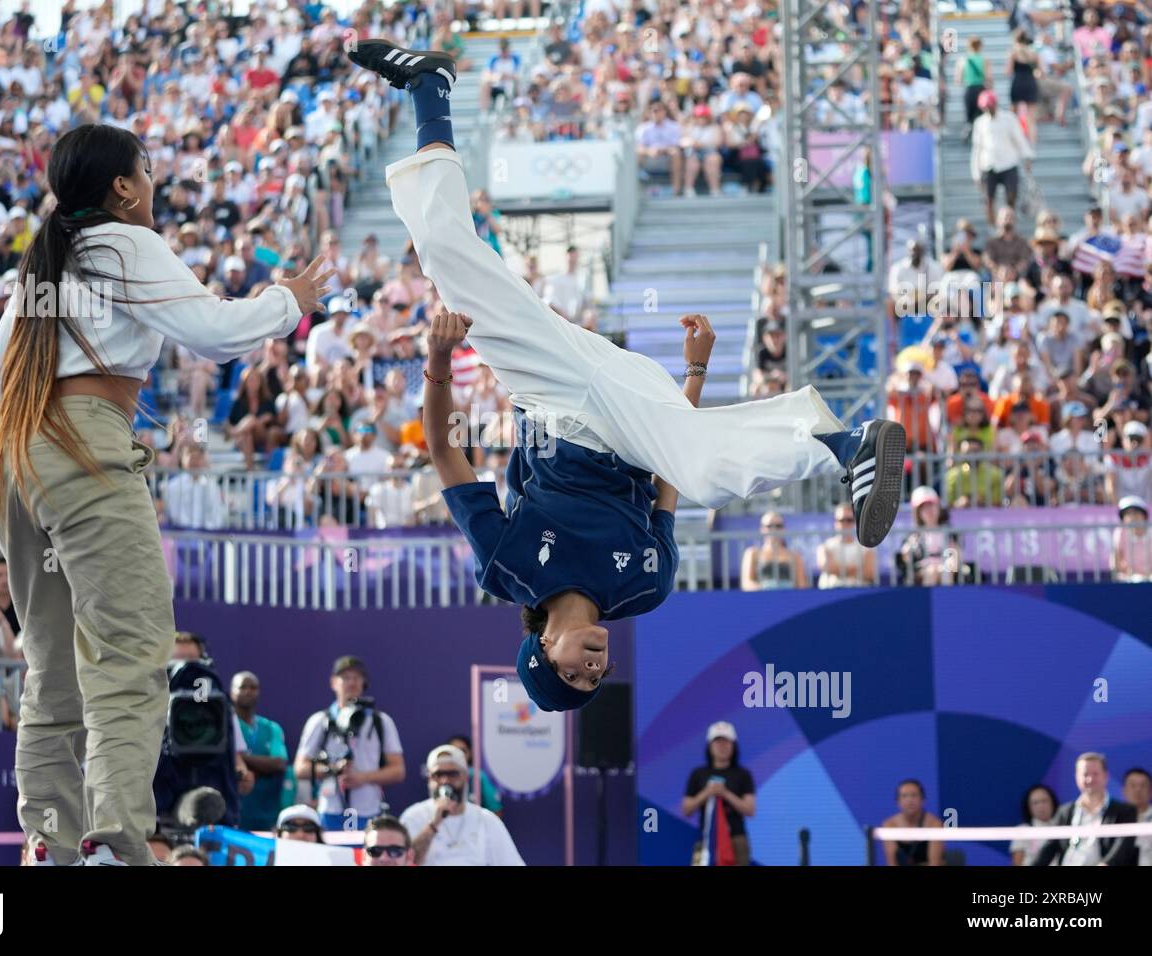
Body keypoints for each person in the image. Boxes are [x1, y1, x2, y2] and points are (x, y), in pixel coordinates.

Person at [347, 39, 907, 714]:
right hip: (637, 407)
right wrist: (692, 374)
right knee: (703, 477)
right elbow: (669, 463)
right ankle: (846, 447)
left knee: (446, 257)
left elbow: (444, 453)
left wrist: (436, 363)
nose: (593, 669)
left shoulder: (508, 568)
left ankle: (429, 87)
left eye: (573, 675)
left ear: (540, 653)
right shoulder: (648, 585)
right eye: (596, 680)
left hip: (552, 391)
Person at [0, 123, 335, 866]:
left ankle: (48, 844)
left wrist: (40, 431)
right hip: (82, 445)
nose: (155, 183)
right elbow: (212, 331)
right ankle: (110, 841)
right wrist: (288, 300)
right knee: (132, 654)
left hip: (13, 456)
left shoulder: (47, 259)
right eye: (148, 170)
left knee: (52, 664)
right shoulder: (124, 242)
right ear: (123, 187)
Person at [294, 655, 406, 831]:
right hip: (330, 811)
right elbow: (300, 768)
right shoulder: (320, 721)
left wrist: (363, 778)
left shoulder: (381, 721)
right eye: (345, 678)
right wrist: (331, 770)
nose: (352, 683)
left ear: (364, 683)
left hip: (368, 812)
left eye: (357, 677)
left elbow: (398, 771)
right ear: (333, 682)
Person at [399, 745, 524, 866]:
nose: (445, 781)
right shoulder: (413, 816)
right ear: (429, 779)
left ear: (465, 777)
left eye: (452, 774)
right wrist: (433, 824)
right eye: (438, 775)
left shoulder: (486, 819)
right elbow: (405, 862)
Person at [1033, 753, 1140, 866]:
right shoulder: (1064, 812)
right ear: (1077, 777)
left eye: (1095, 774)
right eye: (1085, 774)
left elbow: (1122, 849)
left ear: (1105, 776)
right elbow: (1048, 850)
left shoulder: (1125, 812)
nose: (1090, 779)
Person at [681, 721, 756, 866]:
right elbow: (686, 809)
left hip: (736, 839)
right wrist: (707, 793)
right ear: (710, 746)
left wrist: (725, 793)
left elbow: (750, 809)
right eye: (718, 742)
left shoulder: (743, 775)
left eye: (726, 742)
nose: (722, 747)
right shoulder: (698, 774)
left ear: (733, 746)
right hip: (706, 838)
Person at [232, 671, 295, 833]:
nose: (248, 691)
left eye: (253, 687)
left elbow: (279, 763)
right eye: (242, 687)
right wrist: (263, 765)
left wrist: (240, 757)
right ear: (232, 692)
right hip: (236, 812)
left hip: (267, 814)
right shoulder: (226, 726)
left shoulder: (271, 728)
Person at [970, 91, 1034, 224]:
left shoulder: (1008, 118)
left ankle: (1009, 222)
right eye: (985, 107)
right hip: (989, 165)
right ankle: (992, 225)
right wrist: (975, 173)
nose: (988, 109)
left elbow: (1019, 139)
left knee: (1011, 195)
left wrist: (1027, 156)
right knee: (988, 199)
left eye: (990, 106)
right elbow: (977, 148)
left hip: (1008, 163)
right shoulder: (980, 123)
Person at [882, 779, 944, 866]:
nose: (910, 800)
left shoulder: (934, 824)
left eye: (914, 795)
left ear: (923, 800)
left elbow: (935, 863)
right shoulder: (889, 825)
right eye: (904, 796)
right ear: (898, 802)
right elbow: (892, 863)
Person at [740, 510, 808, 590]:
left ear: (784, 529)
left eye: (778, 526)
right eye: (769, 526)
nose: (774, 529)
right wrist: (767, 592)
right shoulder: (752, 553)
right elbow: (747, 583)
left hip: (788, 599)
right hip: (762, 600)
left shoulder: (795, 556)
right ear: (762, 529)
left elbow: (802, 585)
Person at [816, 503, 878, 588]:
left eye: (849, 520)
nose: (845, 524)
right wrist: (858, 569)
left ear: (855, 522)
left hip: (857, 593)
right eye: (841, 520)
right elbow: (826, 567)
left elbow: (869, 573)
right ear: (835, 522)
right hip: (831, 592)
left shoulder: (866, 547)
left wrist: (838, 570)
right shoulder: (825, 546)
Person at [445, 733, 503, 815]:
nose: (458, 756)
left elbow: (496, 811)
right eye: (453, 751)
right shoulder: (440, 777)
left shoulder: (478, 777)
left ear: (470, 754)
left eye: (462, 751)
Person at [1010, 784, 1059, 866]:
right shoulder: (1022, 831)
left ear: (1052, 802)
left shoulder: (1064, 828)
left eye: (1044, 801)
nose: (1041, 806)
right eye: (1035, 803)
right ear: (1029, 807)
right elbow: (1017, 863)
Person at [1112, 495, 1152, 582]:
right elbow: (1115, 563)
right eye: (1128, 514)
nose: (1132, 517)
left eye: (1136, 513)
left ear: (1144, 516)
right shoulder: (1120, 532)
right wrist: (1130, 574)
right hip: (1128, 578)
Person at [1121, 767, 1152, 866]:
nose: (1138, 790)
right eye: (1133, 785)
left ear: (1150, 791)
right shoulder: (1113, 818)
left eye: (1143, 785)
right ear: (1124, 791)